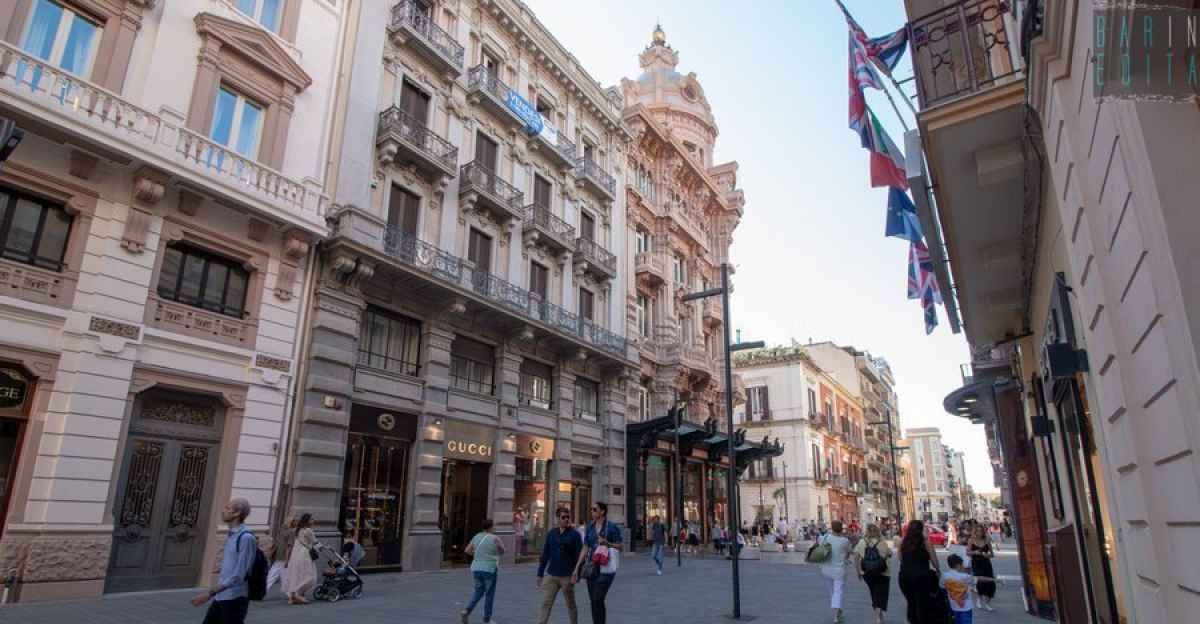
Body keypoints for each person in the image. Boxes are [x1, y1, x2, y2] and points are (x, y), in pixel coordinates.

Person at [191, 498, 257, 624]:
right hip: (221, 596)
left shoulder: (246, 538)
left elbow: (239, 575)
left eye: (227, 508)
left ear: (237, 513)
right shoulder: (232, 534)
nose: (223, 511)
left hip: (235, 599)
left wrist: (209, 594)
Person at [537, 507, 583, 624]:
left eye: (568, 517)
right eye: (563, 517)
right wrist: (540, 574)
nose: (566, 519)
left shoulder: (575, 535)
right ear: (558, 518)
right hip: (551, 575)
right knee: (546, 603)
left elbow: (579, 557)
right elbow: (545, 554)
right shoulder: (552, 533)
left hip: (567, 576)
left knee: (570, 605)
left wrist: (576, 574)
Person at [579, 501, 621, 624]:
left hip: (606, 568)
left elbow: (620, 546)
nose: (592, 512)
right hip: (592, 567)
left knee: (598, 598)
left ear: (602, 511)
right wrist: (577, 567)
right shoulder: (590, 527)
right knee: (594, 601)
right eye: (591, 509)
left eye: (594, 509)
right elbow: (585, 547)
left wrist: (608, 543)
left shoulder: (612, 527)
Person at [899, 519, 947, 624]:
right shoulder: (926, 542)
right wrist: (938, 571)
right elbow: (934, 561)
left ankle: (912, 621)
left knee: (911, 602)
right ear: (921, 530)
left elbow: (900, 559)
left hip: (905, 577)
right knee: (922, 603)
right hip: (922, 577)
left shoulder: (903, 542)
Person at [461, 518, 504, 624]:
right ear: (491, 527)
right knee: (489, 594)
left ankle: (467, 610)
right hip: (489, 569)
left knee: (479, 590)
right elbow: (503, 551)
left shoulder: (476, 537)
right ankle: (487, 619)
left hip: (476, 568)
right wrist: (498, 548)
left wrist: (476, 555)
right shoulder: (495, 538)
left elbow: (467, 550)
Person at [854, 523, 893, 624]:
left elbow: (856, 557)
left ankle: (878, 615)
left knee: (874, 592)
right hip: (883, 572)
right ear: (877, 531)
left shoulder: (861, 542)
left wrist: (858, 571)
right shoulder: (882, 542)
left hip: (867, 572)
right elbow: (889, 554)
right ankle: (878, 617)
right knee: (881, 593)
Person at [941, 554, 995, 624]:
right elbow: (980, 578)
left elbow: (942, 588)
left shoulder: (944, 576)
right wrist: (994, 579)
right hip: (966, 608)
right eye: (962, 564)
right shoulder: (965, 577)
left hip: (953, 607)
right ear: (958, 565)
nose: (963, 566)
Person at [819, 520, 853, 624]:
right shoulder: (845, 541)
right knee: (837, 592)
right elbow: (849, 552)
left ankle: (838, 611)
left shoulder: (825, 538)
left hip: (826, 568)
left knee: (832, 591)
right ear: (841, 529)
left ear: (832, 528)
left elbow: (820, 547)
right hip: (839, 570)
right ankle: (835, 616)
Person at [282, 513, 317, 604]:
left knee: (296, 574)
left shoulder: (298, 530)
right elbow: (315, 542)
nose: (313, 521)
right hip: (304, 554)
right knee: (309, 575)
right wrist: (323, 547)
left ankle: (292, 596)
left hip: (296, 553)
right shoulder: (309, 530)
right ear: (307, 521)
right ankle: (298, 594)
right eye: (312, 519)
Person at [966, 524, 997, 611]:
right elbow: (967, 553)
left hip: (986, 563)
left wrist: (987, 555)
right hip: (976, 563)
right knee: (980, 582)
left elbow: (992, 554)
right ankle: (979, 599)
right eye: (977, 531)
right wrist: (975, 552)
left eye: (981, 531)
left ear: (983, 531)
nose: (979, 533)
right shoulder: (971, 540)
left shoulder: (987, 540)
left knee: (990, 583)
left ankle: (987, 602)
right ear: (975, 531)